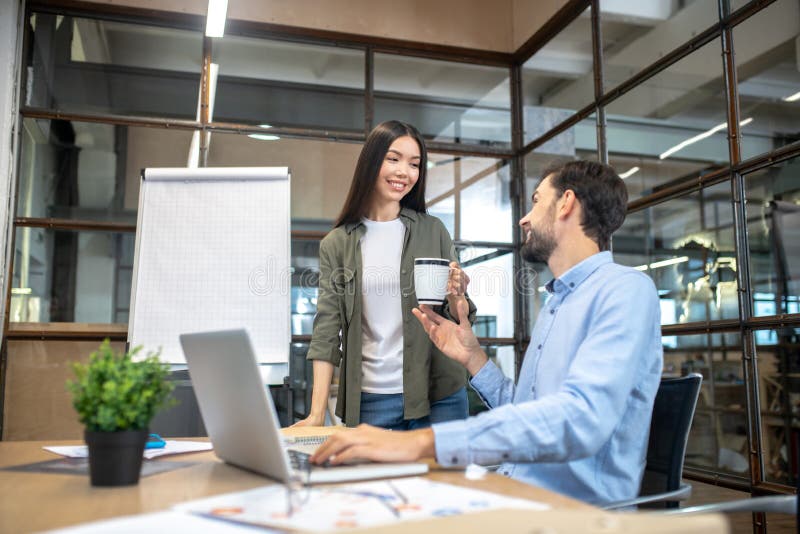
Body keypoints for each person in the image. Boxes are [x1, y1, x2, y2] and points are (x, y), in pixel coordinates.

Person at [310, 160, 664, 506]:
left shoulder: (625, 291)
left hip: (566, 510)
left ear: (566, 203)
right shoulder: (558, 301)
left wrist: (422, 442)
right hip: (512, 490)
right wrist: (473, 357)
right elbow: (527, 412)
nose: (525, 218)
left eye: (537, 201)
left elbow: (580, 420)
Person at [294, 120, 477, 430]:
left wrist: (457, 294)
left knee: (441, 480)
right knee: (373, 480)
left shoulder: (433, 231)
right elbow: (327, 330)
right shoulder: (338, 244)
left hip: (439, 396)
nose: (404, 172)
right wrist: (315, 414)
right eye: (393, 159)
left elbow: (460, 318)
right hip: (372, 401)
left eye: (414, 164)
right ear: (371, 162)